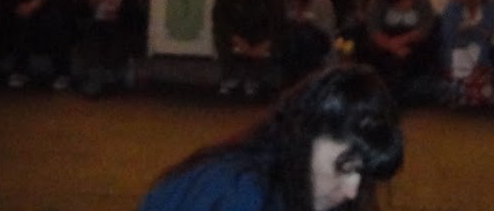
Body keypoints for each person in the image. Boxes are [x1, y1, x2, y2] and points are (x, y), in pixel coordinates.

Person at [139, 63, 403, 211]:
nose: (351, 190)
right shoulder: (240, 192)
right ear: (305, 136)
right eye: (342, 168)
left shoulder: (291, 175)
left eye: (363, 173)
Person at [213, 0, 286, 97]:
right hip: (236, 34)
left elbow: (277, 22)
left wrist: (266, 44)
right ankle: (230, 76)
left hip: (260, 35)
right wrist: (236, 39)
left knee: (273, 43)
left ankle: (254, 79)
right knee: (221, 37)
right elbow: (220, 20)